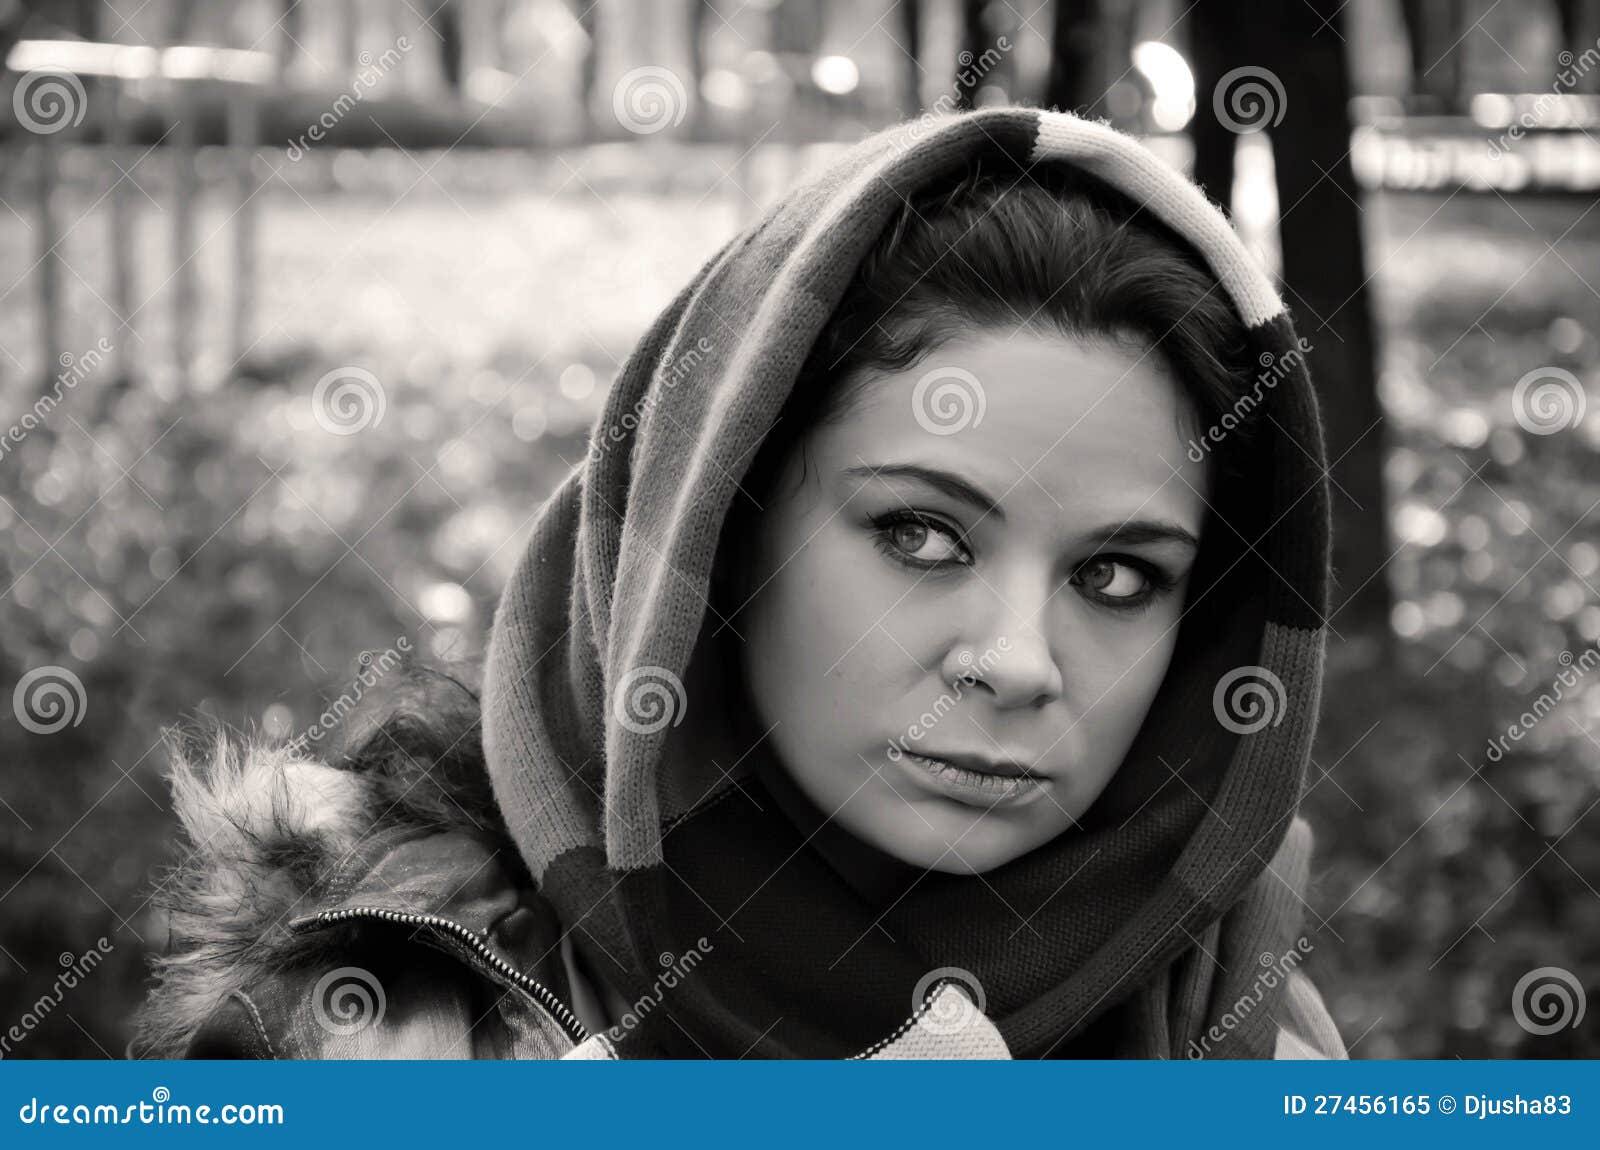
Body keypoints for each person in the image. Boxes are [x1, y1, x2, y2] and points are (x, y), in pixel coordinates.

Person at [133, 107, 1346, 1060]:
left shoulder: (1233, 1020)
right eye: (922, 535)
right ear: (717, 528)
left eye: (1118, 573)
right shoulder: (369, 1004)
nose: (1020, 660)